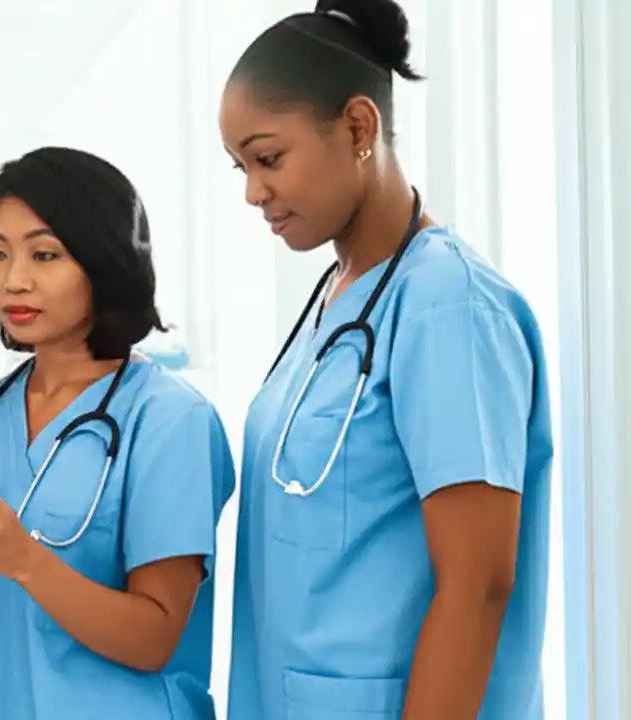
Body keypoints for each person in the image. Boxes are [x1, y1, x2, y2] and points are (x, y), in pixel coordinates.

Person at [219, 1, 553, 718]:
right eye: (240, 166)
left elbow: (479, 584)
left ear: (359, 128)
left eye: (268, 157)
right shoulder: (336, 301)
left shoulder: (447, 304)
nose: (253, 192)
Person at [0, 146, 235, 719]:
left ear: (103, 262)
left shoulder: (168, 420)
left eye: (45, 254)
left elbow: (153, 638)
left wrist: (24, 559)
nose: (14, 280)